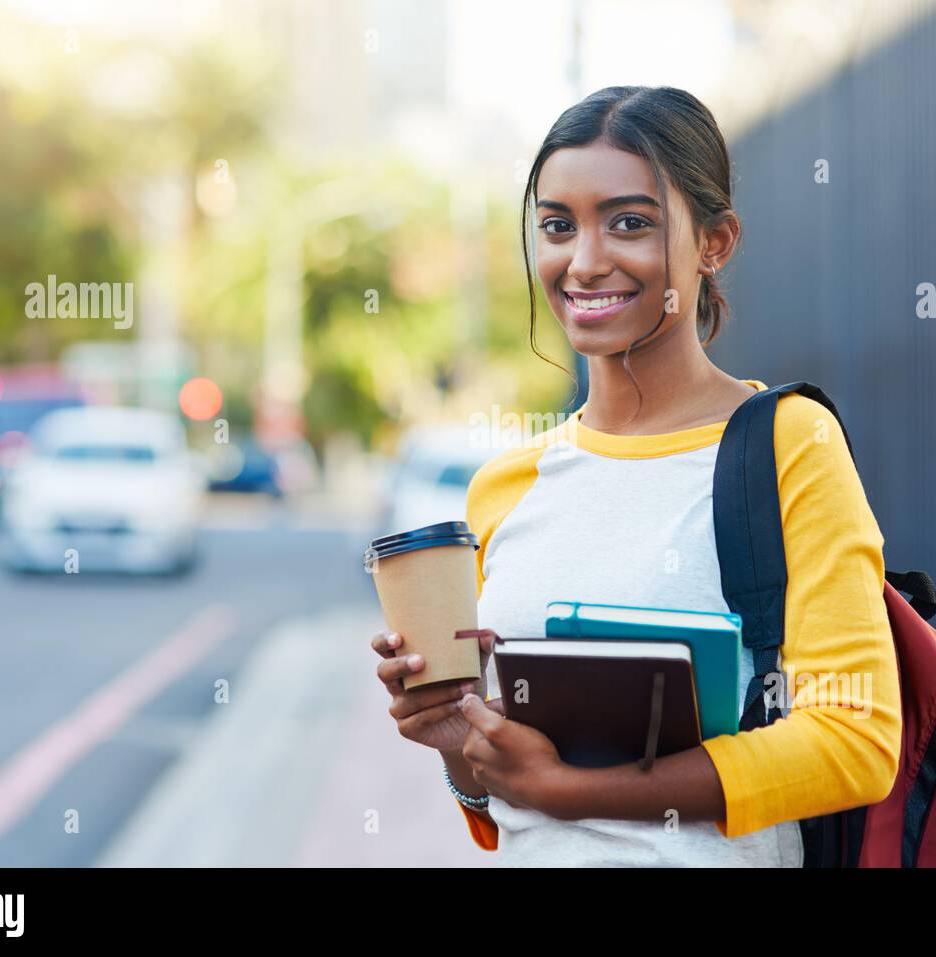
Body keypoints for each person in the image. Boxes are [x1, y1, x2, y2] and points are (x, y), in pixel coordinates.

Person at [372, 85, 901, 866]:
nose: (584, 262)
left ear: (714, 242)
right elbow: (503, 812)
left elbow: (855, 737)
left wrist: (576, 788)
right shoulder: (506, 485)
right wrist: (461, 744)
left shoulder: (787, 445)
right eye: (557, 226)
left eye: (630, 223)